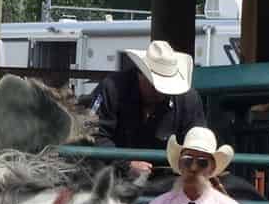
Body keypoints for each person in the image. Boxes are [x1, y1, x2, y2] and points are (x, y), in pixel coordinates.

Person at [87, 39, 206, 179]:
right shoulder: (112, 88)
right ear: (140, 75)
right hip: (114, 180)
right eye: (156, 86)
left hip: (170, 180)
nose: (162, 93)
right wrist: (125, 165)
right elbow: (92, 134)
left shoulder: (188, 99)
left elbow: (198, 141)